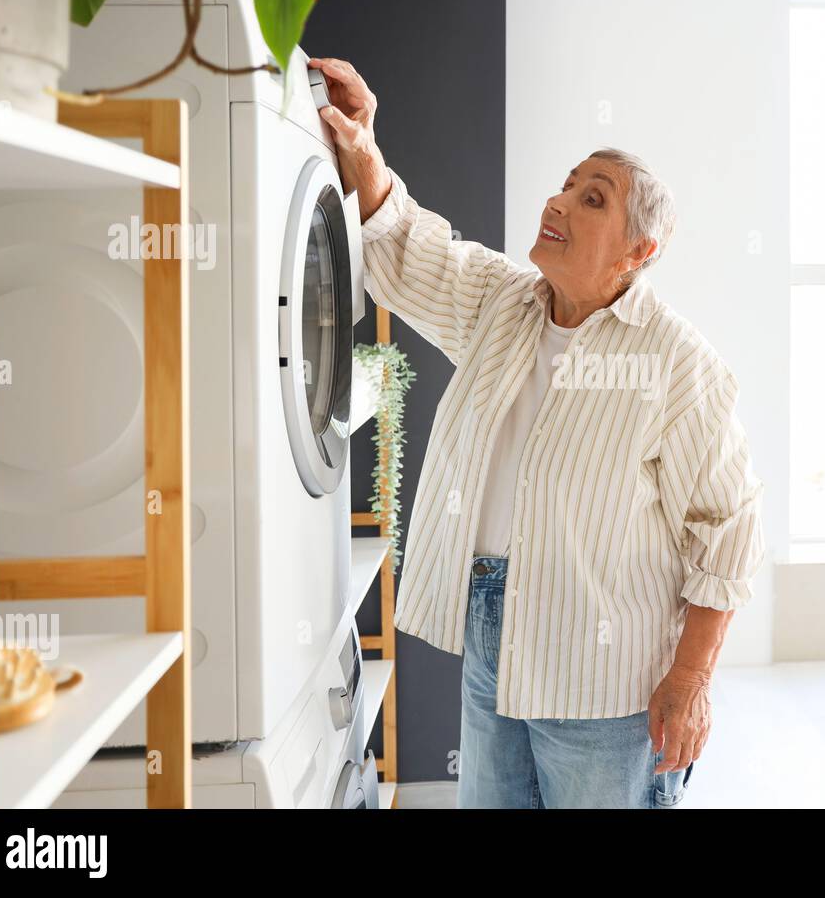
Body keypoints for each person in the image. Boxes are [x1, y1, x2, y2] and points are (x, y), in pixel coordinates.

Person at [311, 56, 765, 809]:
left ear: (637, 253)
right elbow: (408, 253)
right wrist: (362, 148)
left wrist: (689, 681)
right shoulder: (506, 303)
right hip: (494, 631)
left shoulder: (678, 362)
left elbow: (730, 531)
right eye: (566, 184)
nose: (559, 201)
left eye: (593, 198)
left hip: (609, 678)